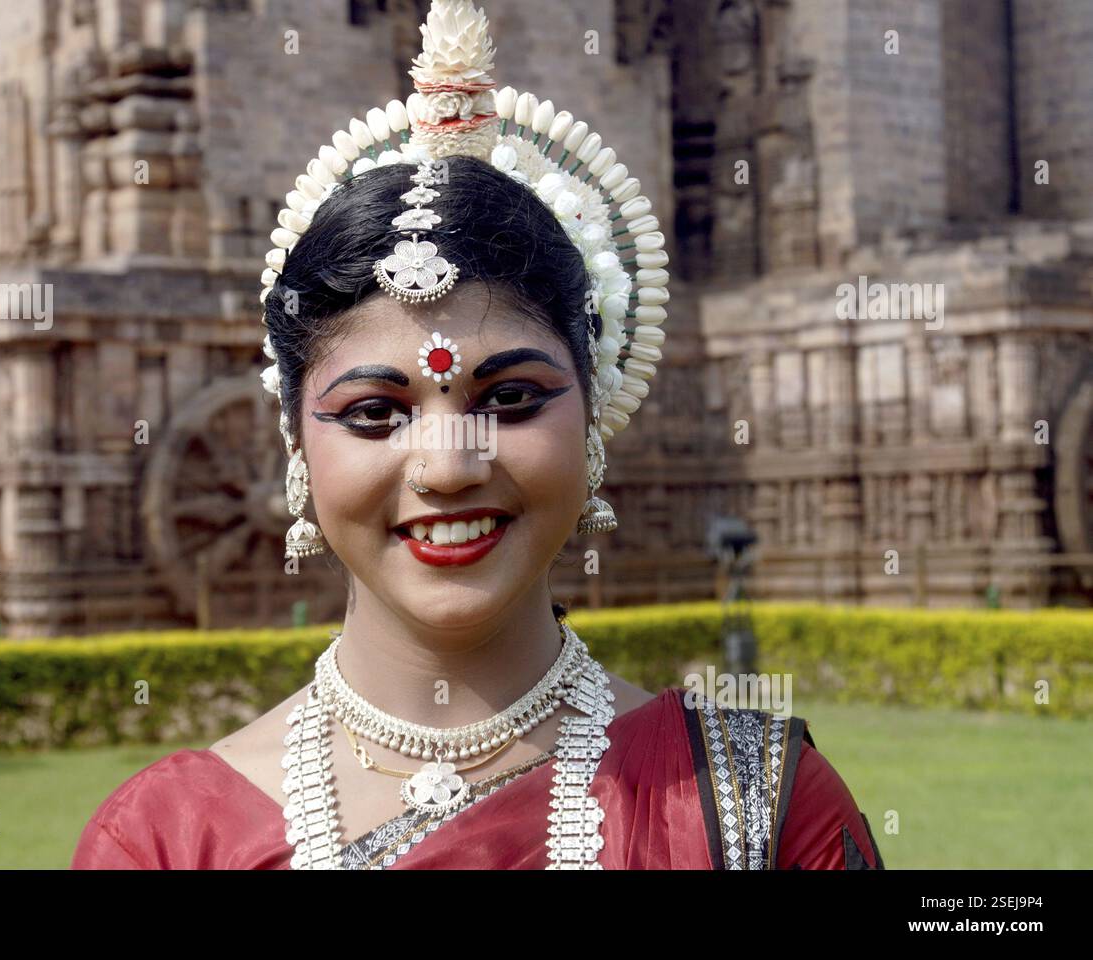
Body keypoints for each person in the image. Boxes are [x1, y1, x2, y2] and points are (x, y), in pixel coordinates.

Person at [72, 0, 883, 871]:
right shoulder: (168, 842)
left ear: (595, 410)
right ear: (296, 443)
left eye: (511, 398)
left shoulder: (759, 811)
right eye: (375, 413)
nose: (450, 466)